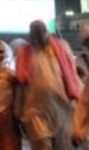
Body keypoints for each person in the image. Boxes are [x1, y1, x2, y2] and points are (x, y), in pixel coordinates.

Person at [14, 20, 82, 150]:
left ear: (47, 32)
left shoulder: (61, 48)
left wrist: (78, 102)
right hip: (34, 110)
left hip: (62, 108)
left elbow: (72, 75)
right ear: (31, 34)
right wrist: (18, 111)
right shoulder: (24, 53)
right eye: (36, 31)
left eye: (42, 31)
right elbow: (20, 83)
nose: (40, 34)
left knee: (64, 146)